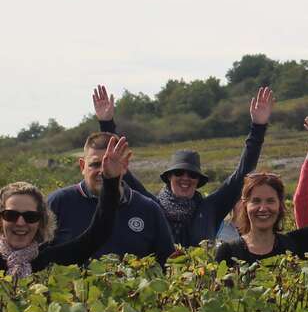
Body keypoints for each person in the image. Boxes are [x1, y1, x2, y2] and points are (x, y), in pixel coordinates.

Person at [93, 84, 274, 245]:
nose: (185, 178)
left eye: (192, 175)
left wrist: (258, 127)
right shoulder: (150, 206)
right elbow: (120, 171)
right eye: (179, 173)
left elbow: (243, 172)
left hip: (201, 282)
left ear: (198, 181)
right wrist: (106, 124)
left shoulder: (211, 208)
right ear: (169, 177)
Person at [215, 123, 308, 264]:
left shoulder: (296, 244)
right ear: (245, 205)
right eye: (256, 201)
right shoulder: (228, 252)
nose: (263, 208)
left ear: (280, 205)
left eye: (270, 201)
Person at [1, 136, 130, 277]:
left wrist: (111, 181)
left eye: (30, 217)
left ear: (40, 222)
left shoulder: (51, 259)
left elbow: (98, 233)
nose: (20, 222)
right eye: (11, 215)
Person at [48, 132, 175, 264]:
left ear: (125, 165)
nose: (103, 171)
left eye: (110, 163)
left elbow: (167, 264)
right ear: (82, 166)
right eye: (95, 164)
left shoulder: (148, 209)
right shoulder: (59, 203)